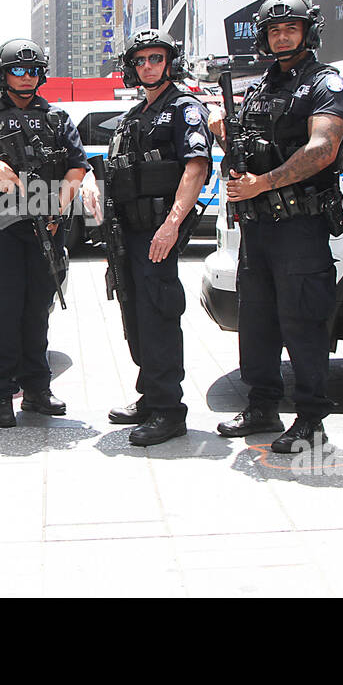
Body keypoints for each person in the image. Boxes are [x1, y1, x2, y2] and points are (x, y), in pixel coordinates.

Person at [209, 0, 343, 451]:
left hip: (299, 225)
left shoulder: (325, 83)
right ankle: (262, 406)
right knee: (258, 323)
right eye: (274, 31)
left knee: (303, 322)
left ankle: (311, 419)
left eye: (290, 28)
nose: (282, 37)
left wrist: (263, 183)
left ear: (308, 31)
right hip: (257, 229)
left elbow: (322, 149)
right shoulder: (258, 88)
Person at [0, 39, 89, 427]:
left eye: (32, 71)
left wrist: (58, 206)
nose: (25, 78)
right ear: (2, 73)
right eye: (17, 70)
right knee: (2, 313)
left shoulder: (57, 118)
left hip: (44, 226)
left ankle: (37, 390)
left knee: (36, 313)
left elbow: (76, 167)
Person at [103, 30, 212, 446]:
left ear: (170, 62)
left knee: (159, 316)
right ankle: (150, 395)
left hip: (157, 231)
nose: (148, 66)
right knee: (136, 315)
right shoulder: (135, 115)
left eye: (156, 58)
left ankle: (169, 410)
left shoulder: (183, 108)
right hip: (128, 232)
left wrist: (172, 223)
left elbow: (195, 168)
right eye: (141, 60)